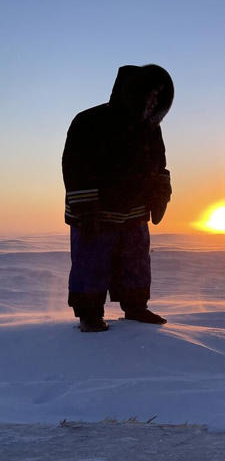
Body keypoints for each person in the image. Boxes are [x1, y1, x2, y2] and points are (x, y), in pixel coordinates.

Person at [62, 64, 174, 332]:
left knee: (135, 261)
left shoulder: (151, 129)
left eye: (159, 98)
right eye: (150, 95)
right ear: (133, 93)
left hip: (134, 211)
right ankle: (89, 314)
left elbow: (159, 164)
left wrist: (161, 193)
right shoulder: (89, 120)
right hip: (95, 211)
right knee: (92, 261)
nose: (153, 103)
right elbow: (75, 167)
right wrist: (86, 208)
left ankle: (136, 307)